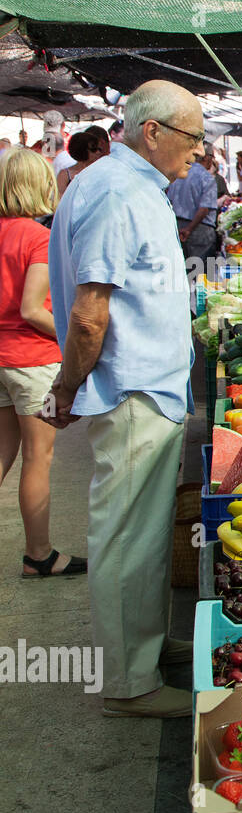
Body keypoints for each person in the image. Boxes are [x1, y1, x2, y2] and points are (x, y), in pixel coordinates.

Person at [45, 78, 203, 719]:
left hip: (150, 391)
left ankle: (144, 645)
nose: (200, 151)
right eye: (193, 137)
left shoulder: (134, 188)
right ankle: (126, 683)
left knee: (143, 537)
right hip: (131, 390)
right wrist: (65, 386)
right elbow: (89, 314)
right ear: (153, 132)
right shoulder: (116, 192)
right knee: (126, 539)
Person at [0, 147, 87, 579]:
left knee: (1, 453)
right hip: (31, 361)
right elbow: (32, 308)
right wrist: (74, 339)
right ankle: (39, 555)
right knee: (38, 457)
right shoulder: (36, 237)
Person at [166, 139, 218, 282]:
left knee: (182, 274)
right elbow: (204, 208)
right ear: (206, 158)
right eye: (212, 158)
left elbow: (169, 202)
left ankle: (186, 303)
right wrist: (189, 229)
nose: (211, 162)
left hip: (178, 227)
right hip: (199, 230)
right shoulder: (207, 178)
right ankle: (201, 303)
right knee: (203, 277)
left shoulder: (180, 174)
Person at [55, 132, 108, 200]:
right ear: (82, 150)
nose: (98, 152)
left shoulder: (101, 172)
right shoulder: (65, 174)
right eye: (93, 149)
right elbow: (60, 201)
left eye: (99, 149)